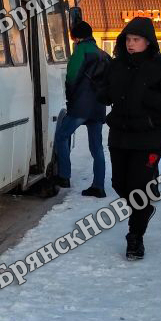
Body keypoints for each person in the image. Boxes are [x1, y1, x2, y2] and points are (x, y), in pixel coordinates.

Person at [99, 16, 161, 261]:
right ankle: (145, 207)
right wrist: (98, 88)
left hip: (150, 138)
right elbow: (106, 96)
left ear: (148, 41)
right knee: (119, 184)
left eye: (135, 39)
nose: (130, 43)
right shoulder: (116, 66)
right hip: (120, 136)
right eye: (127, 39)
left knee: (138, 189)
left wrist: (147, 97)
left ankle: (135, 238)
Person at [53, 12, 109, 197]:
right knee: (97, 147)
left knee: (62, 136)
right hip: (98, 106)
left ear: (76, 37)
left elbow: (71, 77)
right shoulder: (103, 54)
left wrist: (70, 98)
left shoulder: (81, 52)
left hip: (81, 106)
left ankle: (64, 176)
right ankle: (98, 186)